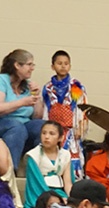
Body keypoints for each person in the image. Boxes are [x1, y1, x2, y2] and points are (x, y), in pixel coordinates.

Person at [0, 49, 45, 172]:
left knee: (43, 127)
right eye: (29, 64)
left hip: (22, 127)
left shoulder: (27, 85)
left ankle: (39, 171)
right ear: (17, 65)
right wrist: (22, 102)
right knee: (16, 127)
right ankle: (10, 171)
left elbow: (37, 116)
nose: (32, 68)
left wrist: (37, 96)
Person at [41, 50, 87, 181]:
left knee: (73, 155)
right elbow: (46, 108)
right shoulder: (48, 88)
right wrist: (46, 128)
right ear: (52, 66)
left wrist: (81, 128)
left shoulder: (76, 86)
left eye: (66, 63)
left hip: (71, 129)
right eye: (59, 63)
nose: (63, 66)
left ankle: (73, 181)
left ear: (70, 66)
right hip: (54, 129)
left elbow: (82, 107)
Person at [23, 121, 72, 208]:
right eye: (44, 133)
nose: (46, 137)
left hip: (60, 193)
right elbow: (35, 184)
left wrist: (70, 199)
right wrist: (55, 200)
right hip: (40, 194)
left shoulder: (65, 155)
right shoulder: (33, 155)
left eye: (52, 134)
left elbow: (68, 183)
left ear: (61, 138)